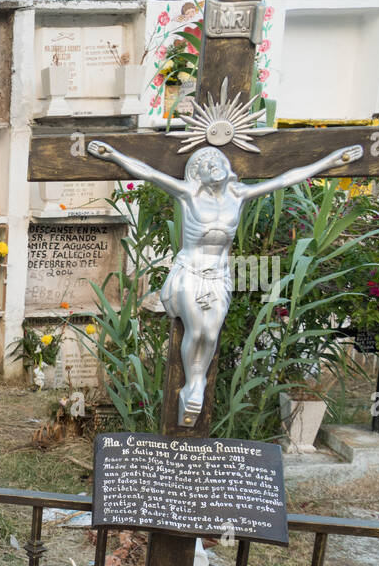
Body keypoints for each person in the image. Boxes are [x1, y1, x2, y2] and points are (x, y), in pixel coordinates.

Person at [85, 139, 362, 425]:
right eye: (204, 164)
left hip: (219, 275)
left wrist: (329, 162)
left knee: (212, 335)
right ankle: (193, 384)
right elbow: (149, 173)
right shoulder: (188, 194)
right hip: (191, 272)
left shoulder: (238, 194)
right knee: (197, 331)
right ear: (197, 174)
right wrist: (114, 155)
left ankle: (198, 383)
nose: (212, 165)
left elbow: (283, 180)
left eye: (216, 161)